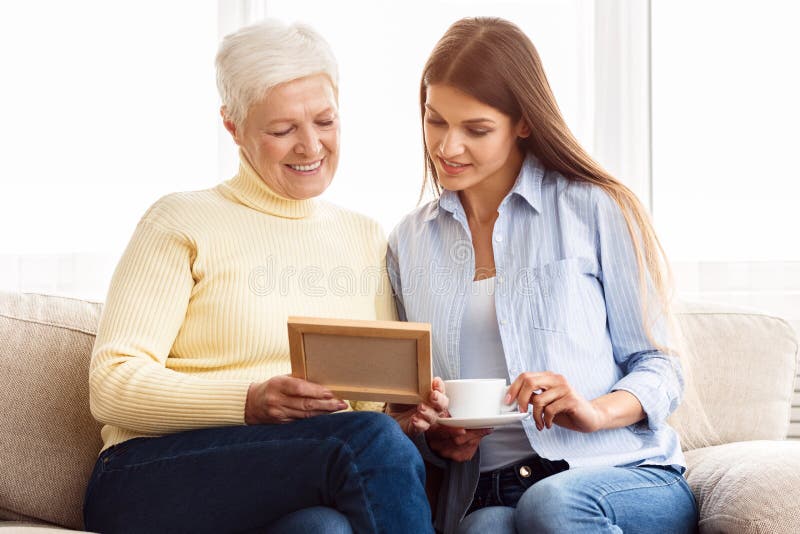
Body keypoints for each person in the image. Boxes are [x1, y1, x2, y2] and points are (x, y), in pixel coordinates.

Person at [83, 19, 432, 534]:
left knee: (322, 528)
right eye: (282, 130)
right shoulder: (180, 220)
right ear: (233, 127)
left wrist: (403, 412)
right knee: (367, 442)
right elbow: (110, 385)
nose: (310, 147)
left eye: (325, 121)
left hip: (295, 470)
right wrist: (249, 401)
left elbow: (365, 408)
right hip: (148, 475)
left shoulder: (362, 235)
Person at [387, 17, 698, 534]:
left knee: (553, 506)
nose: (447, 146)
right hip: (489, 487)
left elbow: (661, 364)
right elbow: (409, 400)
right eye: (435, 120)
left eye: (476, 129)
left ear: (523, 123)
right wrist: (439, 440)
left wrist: (593, 410)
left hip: (619, 473)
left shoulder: (594, 209)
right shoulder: (408, 243)